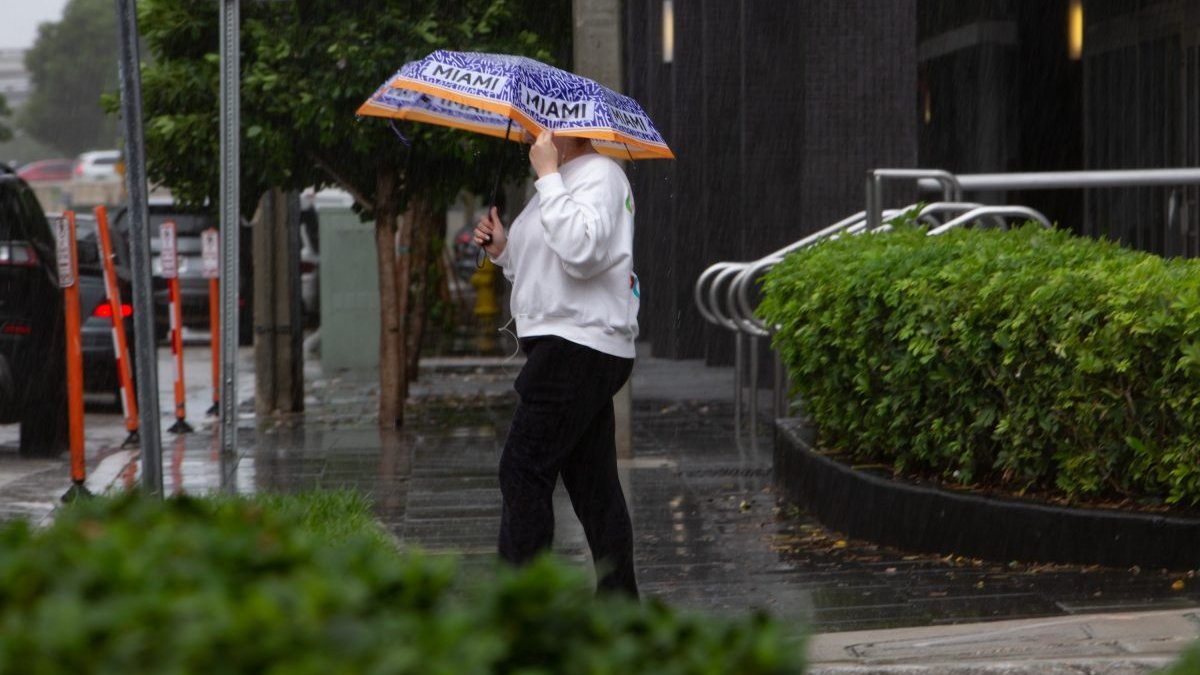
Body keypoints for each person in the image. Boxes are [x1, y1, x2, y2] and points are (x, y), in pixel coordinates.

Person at [474, 129, 640, 597]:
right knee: (594, 485)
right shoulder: (562, 180)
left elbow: (582, 254)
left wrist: (547, 176)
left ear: (571, 129)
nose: (532, 134)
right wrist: (504, 250)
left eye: (542, 125)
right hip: (569, 345)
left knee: (522, 470)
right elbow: (550, 267)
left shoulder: (600, 176)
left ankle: (524, 614)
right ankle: (620, 611)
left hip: (579, 347)